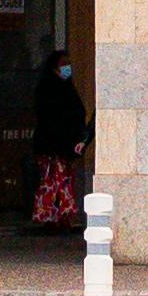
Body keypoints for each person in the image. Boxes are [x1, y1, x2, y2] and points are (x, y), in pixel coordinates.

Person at [28, 44, 91, 234]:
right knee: (52, 182)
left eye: (69, 64)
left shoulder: (66, 87)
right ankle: (51, 218)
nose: (68, 68)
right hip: (51, 146)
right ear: (54, 67)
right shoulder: (48, 88)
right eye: (64, 64)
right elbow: (50, 116)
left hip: (64, 145)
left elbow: (77, 112)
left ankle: (62, 218)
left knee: (63, 182)